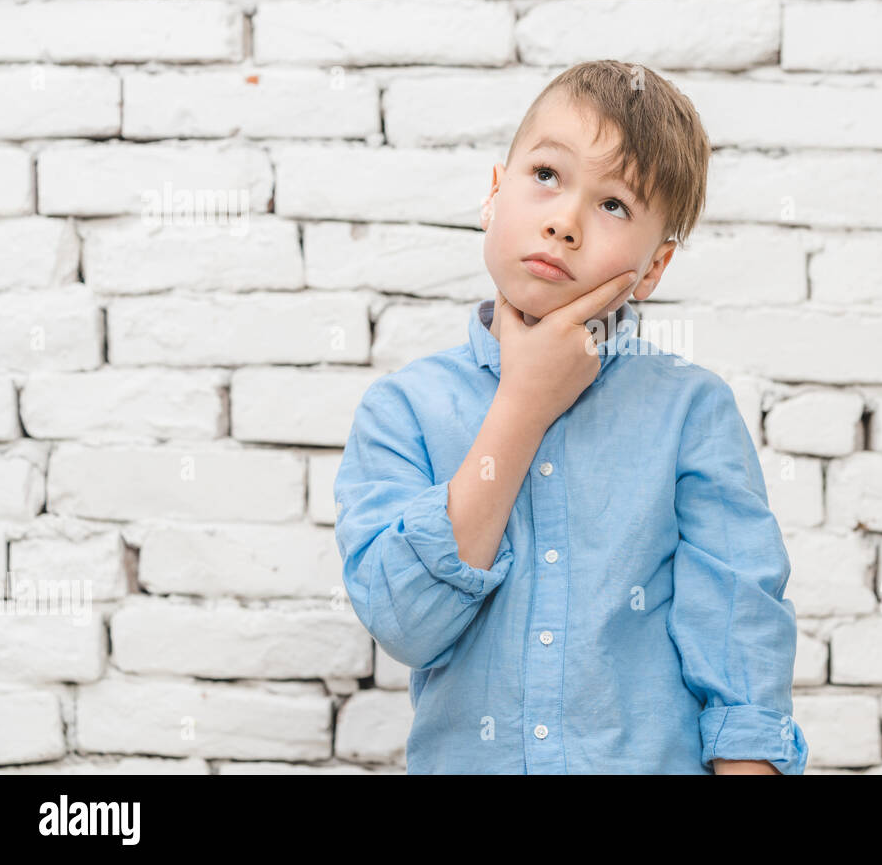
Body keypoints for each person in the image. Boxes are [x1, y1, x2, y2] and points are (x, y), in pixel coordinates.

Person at [333, 59, 808, 774]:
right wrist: (523, 404)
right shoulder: (403, 411)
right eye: (547, 176)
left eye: (614, 204)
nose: (565, 221)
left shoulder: (691, 413)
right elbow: (407, 624)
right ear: (495, 193)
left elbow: (740, 654)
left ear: (653, 269)